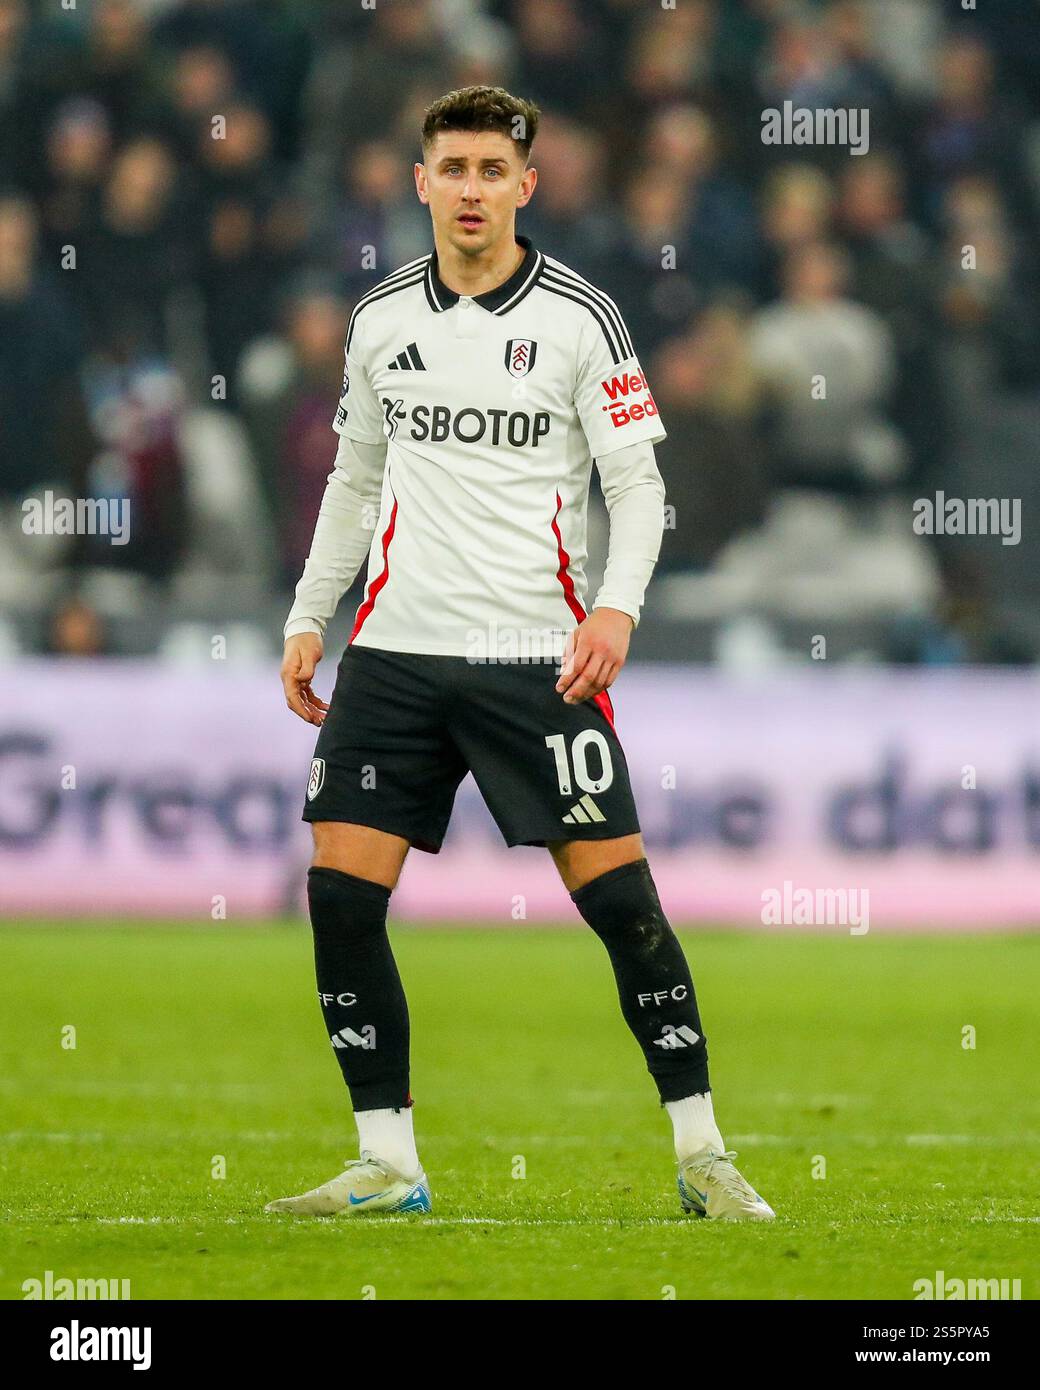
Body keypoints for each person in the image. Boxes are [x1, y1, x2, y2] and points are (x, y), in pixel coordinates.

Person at [268, 86, 774, 1223]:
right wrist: (311, 615)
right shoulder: (380, 320)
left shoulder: (583, 319)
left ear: (525, 186)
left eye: (492, 171)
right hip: (392, 654)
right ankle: (387, 1162)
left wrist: (617, 611)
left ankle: (702, 1153)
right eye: (451, 169)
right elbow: (353, 482)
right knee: (341, 902)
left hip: (535, 660)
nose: (470, 191)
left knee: (625, 908)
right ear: (419, 182)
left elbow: (636, 486)